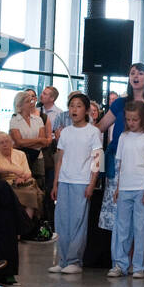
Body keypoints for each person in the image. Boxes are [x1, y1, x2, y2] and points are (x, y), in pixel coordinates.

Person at [107, 101, 144, 279]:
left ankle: (139, 266)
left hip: (141, 188)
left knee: (141, 228)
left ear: (143, 119)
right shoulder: (123, 137)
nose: (131, 122)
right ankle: (120, 264)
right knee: (122, 228)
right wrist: (118, 187)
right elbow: (121, 164)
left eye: (135, 119)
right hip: (125, 188)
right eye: (129, 119)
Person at [49, 92, 101, 275]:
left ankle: (74, 261)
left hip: (82, 181)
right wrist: (55, 184)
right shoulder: (65, 132)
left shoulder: (93, 132)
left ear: (86, 110)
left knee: (78, 222)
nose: (74, 109)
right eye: (72, 106)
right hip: (64, 180)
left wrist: (91, 184)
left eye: (79, 106)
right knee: (62, 221)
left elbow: (97, 159)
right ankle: (63, 260)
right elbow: (60, 159)